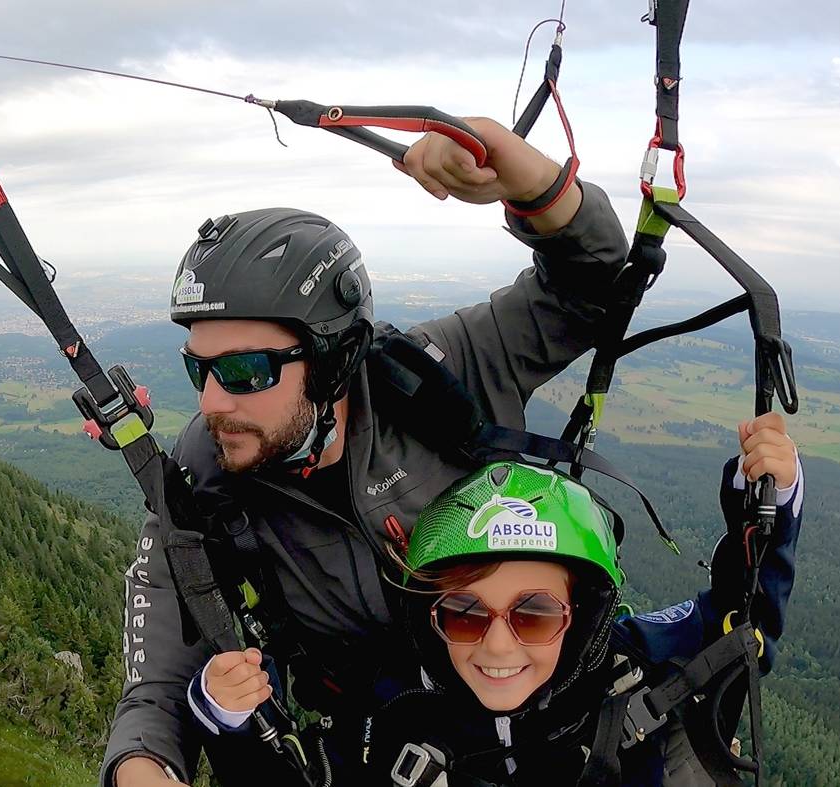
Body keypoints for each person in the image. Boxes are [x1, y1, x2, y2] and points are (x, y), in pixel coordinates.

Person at [103, 116, 653, 787]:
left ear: (333, 359)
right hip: (379, 749)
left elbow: (590, 284)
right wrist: (142, 769)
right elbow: (158, 676)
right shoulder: (208, 471)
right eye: (201, 370)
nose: (214, 401)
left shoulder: (435, 376)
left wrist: (525, 176)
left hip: (537, 706)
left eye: (247, 370)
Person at [195, 413, 802, 785]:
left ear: (582, 614)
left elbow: (739, 628)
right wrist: (231, 719)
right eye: (463, 613)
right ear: (431, 618)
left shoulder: (634, 670)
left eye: (535, 614)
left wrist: (768, 503)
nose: (497, 643)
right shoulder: (393, 714)